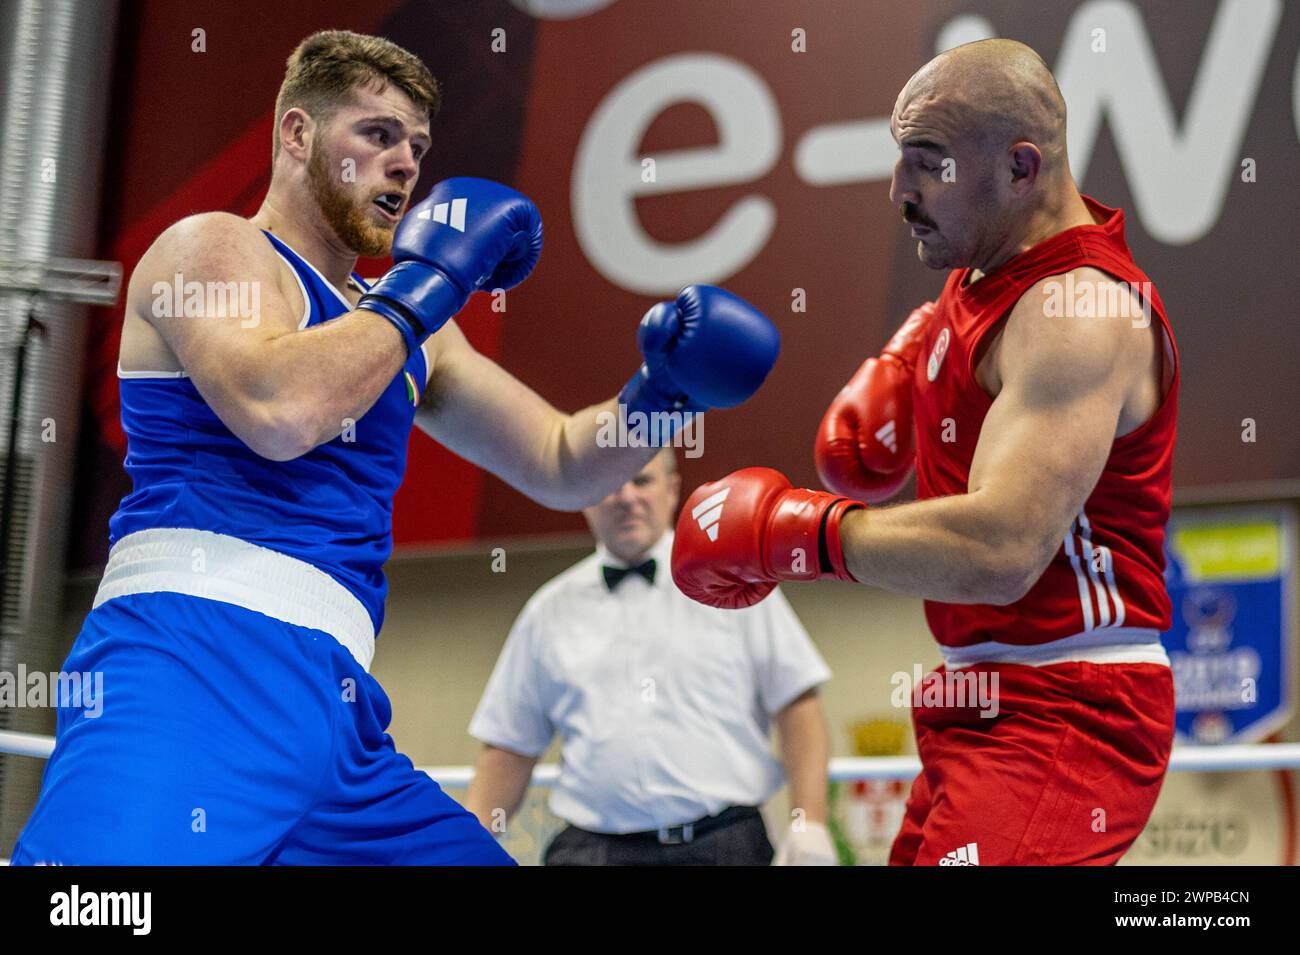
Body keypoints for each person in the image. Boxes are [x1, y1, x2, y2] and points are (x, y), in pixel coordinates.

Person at [13, 30, 778, 865]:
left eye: (417, 145)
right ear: (297, 136)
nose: (406, 164)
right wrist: (426, 288)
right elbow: (277, 407)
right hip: (187, 662)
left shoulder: (412, 327)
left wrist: (662, 395)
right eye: (377, 135)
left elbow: (560, 462)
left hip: (340, 714)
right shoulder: (214, 249)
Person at [671, 38, 1179, 866]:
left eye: (927, 163)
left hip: (1069, 703)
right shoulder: (986, 273)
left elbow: (1004, 548)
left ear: (1022, 167)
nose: (900, 191)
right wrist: (905, 364)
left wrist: (797, 533)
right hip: (982, 695)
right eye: (899, 159)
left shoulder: (1078, 312)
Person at [464, 449, 837, 866]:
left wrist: (809, 824)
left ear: (673, 489)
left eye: (642, 480)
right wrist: (467, 846)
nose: (625, 496)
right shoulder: (547, 611)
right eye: (607, 484)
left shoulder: (732, 580)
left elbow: (797, 704)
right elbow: (510, 746)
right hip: (592, 850)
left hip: (724, 843)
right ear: (584, 496)